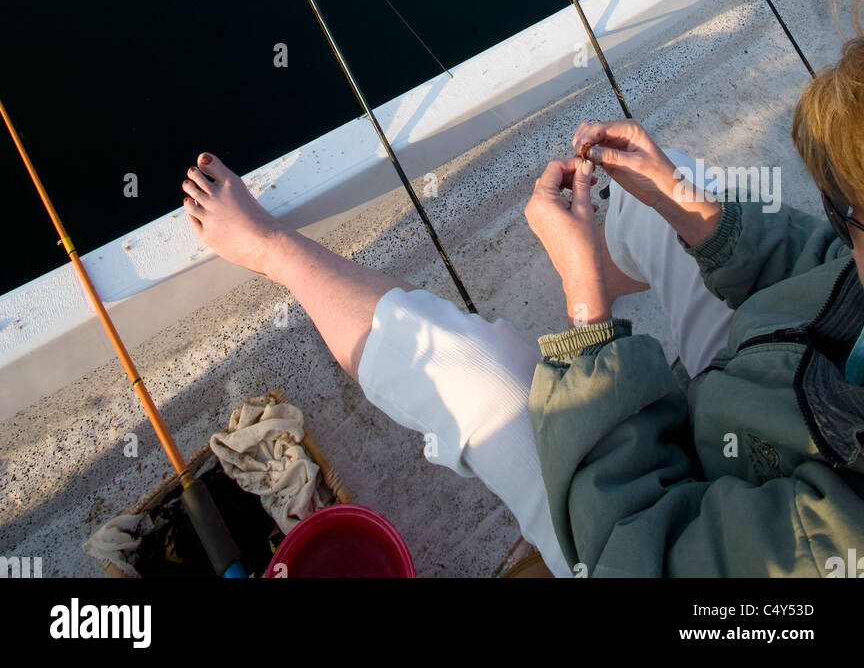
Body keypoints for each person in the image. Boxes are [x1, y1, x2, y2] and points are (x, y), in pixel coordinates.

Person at [181, 37, 864, 578]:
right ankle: (595, 245)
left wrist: (586, 314)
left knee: (479, 372)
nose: (830, 220)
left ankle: (270, 250)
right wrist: (684, 203)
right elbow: (822, 276)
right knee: (663, 190)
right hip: (763, 413)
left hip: (640, 538)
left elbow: (637, 544)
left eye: (842, 211)